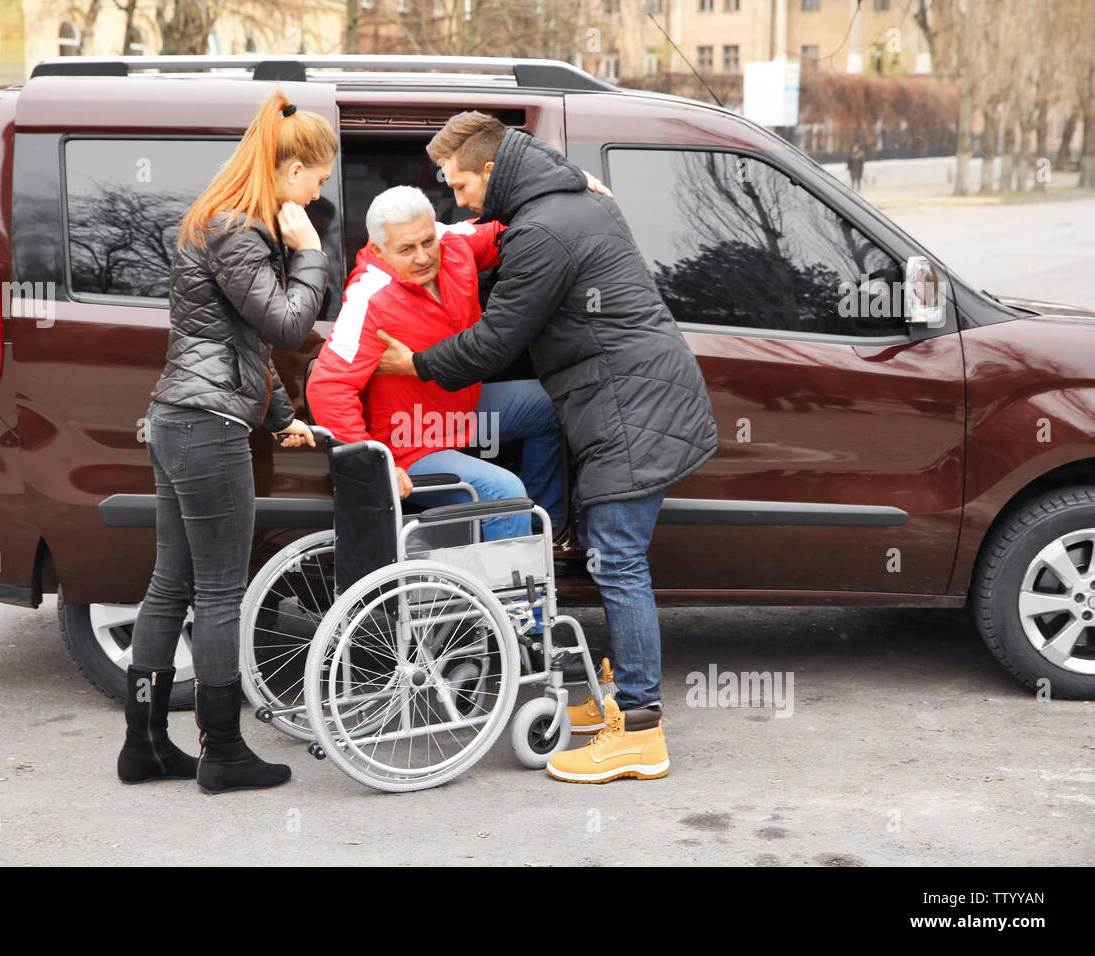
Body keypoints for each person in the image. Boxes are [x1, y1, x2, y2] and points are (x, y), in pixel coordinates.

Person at [375, 112, 718, 783]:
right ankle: (622, 703)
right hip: (634, 395)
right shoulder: (571, 200)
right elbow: (483, 238)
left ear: (492, 172)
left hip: (629, 408)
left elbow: (498, 340)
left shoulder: (540, 231)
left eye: (461, 184)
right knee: (615, 555)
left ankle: (641, 733)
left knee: (618, 560)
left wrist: (413, 365)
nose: (458, 198)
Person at [117, 89, 336, 794]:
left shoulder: (216, 223)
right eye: (319, 175)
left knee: (171, 584)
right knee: (217, 590)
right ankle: (223, 752)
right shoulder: (240, 229)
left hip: (180, 420)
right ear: (290, 166)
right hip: (205, 432)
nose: (320, 189)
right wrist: (310, 254)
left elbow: (236, 345)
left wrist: (280, 418)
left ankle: (145, 747)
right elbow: (283, 326)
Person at [305, 184, 563, 541]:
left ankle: (541, 536)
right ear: (378, 249)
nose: (424, 256)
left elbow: (513, 228)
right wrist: (375, 465)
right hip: (412, 440)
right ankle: (515, 593)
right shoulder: (368, 297)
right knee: (506, 491)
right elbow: (327, 388)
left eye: (427, 242)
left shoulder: (451, 241)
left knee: (553, 403)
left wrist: (563, 190)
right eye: (407, 249)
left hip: (464, 414)